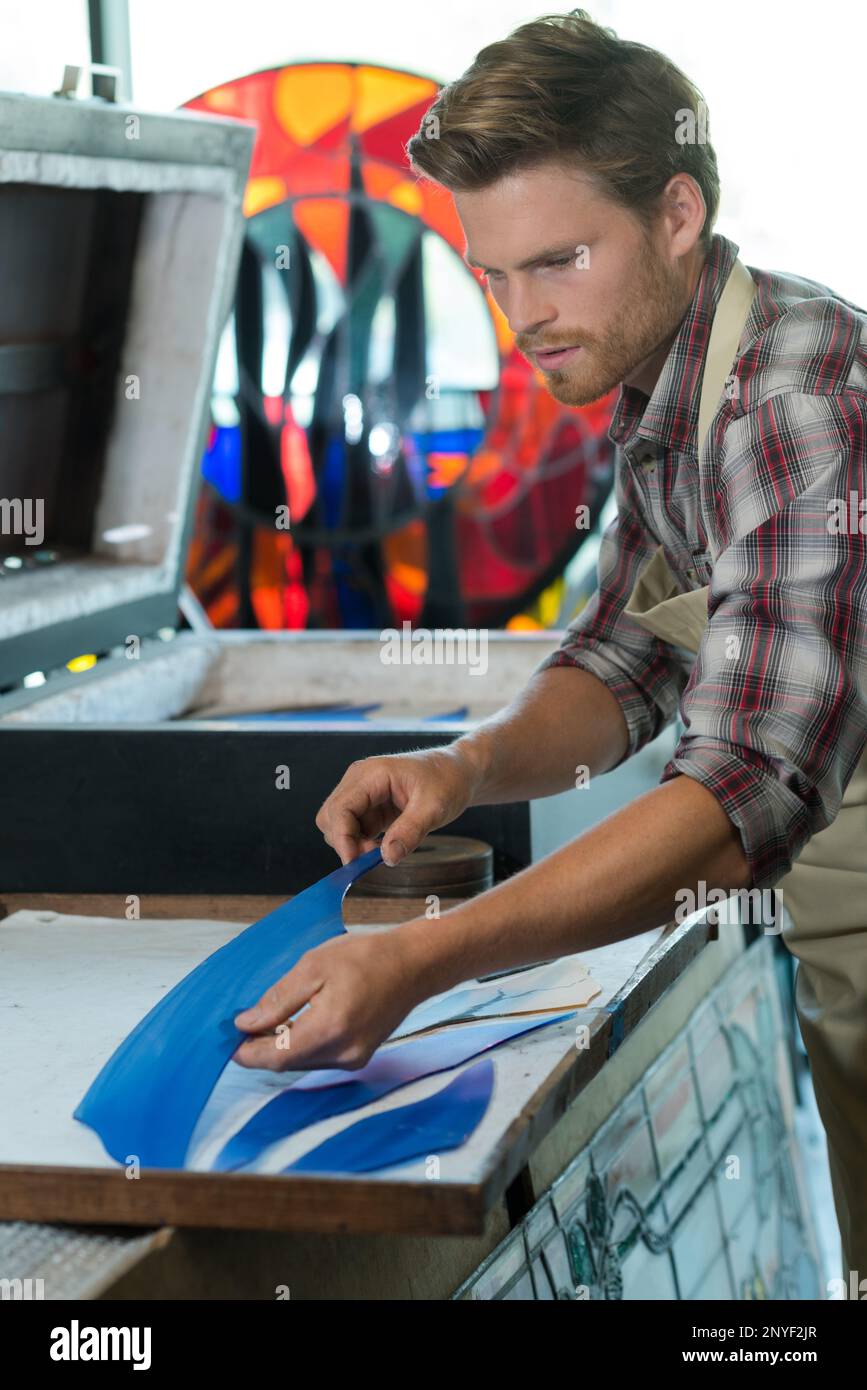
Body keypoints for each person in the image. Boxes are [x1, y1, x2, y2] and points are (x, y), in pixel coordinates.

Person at [234, 11, 867, 1275]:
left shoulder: (797, 400)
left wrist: (417, 961)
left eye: (560, 261)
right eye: (493, 273)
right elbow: (627, 662)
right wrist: (463, 768)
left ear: (677, 212)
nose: (523, 314)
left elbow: (736, 793)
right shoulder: (662, 381)